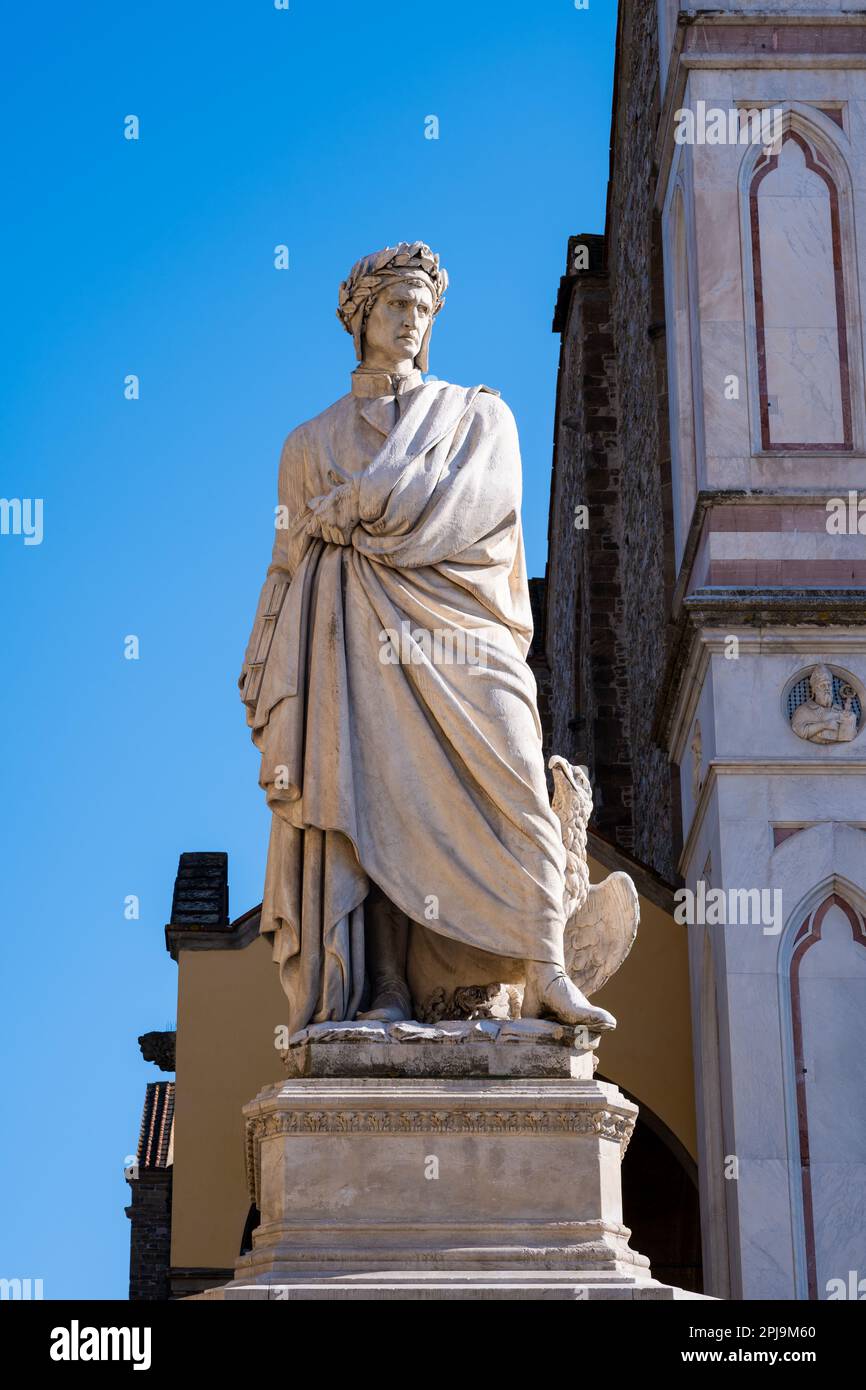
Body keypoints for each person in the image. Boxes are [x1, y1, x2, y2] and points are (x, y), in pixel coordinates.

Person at [240, 241, 613, 1034]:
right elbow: (287, 559)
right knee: (361, 800)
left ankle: (546, 966)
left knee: (518, 779)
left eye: (421, 308)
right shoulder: (309, 445)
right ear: (361, 319)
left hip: (465, 635)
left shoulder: (477, 415)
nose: (410, 322)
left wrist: (362, 508)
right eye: (394, 307)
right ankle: (382, 989)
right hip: (353, 643)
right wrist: (267, 662)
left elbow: (484, 506)